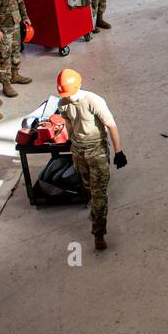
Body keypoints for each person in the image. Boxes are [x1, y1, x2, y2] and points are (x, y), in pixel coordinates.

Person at [55, 68, 126, 251]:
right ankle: (94, 207)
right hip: (79, 152)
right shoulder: (63, 103)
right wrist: (71, 143)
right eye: (65, 94)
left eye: (69, 93)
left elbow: (110, 124)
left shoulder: (93, 101)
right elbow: (69, 122)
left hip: (97, 152)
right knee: (87, 185)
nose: (68, 97)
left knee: (99, 193)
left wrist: (118, 151)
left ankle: (98, 234)